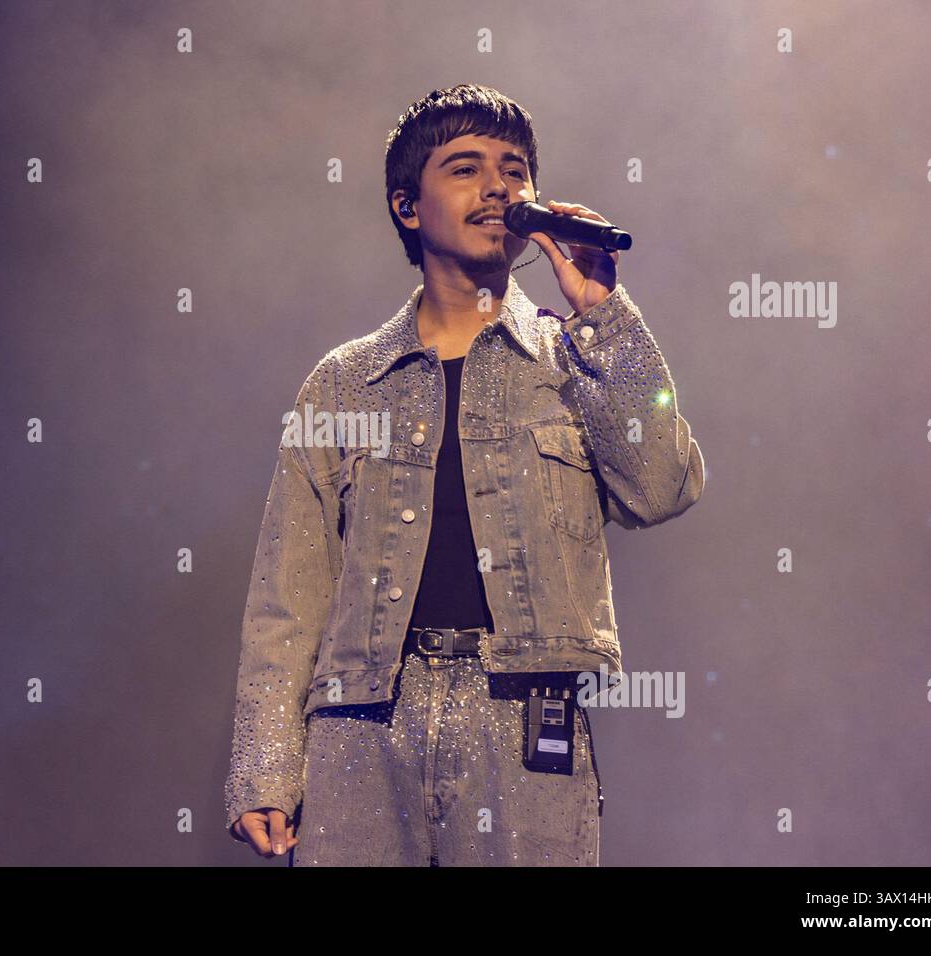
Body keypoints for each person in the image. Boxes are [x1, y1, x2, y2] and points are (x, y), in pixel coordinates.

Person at [224, 83, 705, 865]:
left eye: (515, 171)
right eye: (466, 168)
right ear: (407, 207)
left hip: (521, 718)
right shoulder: (344, 384)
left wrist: (604, 317)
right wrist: (264, 768)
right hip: (361, 727)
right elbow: (289, 591)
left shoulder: (574, 357)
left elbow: (663, 485)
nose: (499, 188)